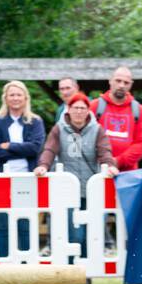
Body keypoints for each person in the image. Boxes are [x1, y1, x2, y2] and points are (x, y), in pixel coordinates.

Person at [35, 92, 117, 260]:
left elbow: (105, 151)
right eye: (75, 108)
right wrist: (43, 166)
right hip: (68, 191)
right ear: (68, 109)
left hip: (90, 189)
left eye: (82, 108)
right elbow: (50, 149)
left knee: (91, 236)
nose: (79, 111)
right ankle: (75, 275)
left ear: (88, 110)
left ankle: (87, 278)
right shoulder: (59, 129)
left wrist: (110, 166)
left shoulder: (97, 130)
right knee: (75, 236)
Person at [0, 81, 46, 259]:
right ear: (5, 98)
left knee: (24, 223)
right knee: (3, 224)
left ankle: (25, 264)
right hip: (2, 179)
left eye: (18, 94)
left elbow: (35, 148)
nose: (15, 98)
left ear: (25, 98)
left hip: (27, 178)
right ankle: (5, 263)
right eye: (11, 95)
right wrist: (19, 148)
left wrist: (9, 146)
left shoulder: (35, 121)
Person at [91, 66, 142, 172]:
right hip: (98, 170)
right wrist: (105, 162)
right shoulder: (95, 106)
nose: (121, 85)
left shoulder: (140, 111)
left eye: (126, 83)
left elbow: (141, 144)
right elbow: (87, 138)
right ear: (110, 81)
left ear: (131, 85)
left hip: (127, 174)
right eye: (118, 81)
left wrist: (117, 161)